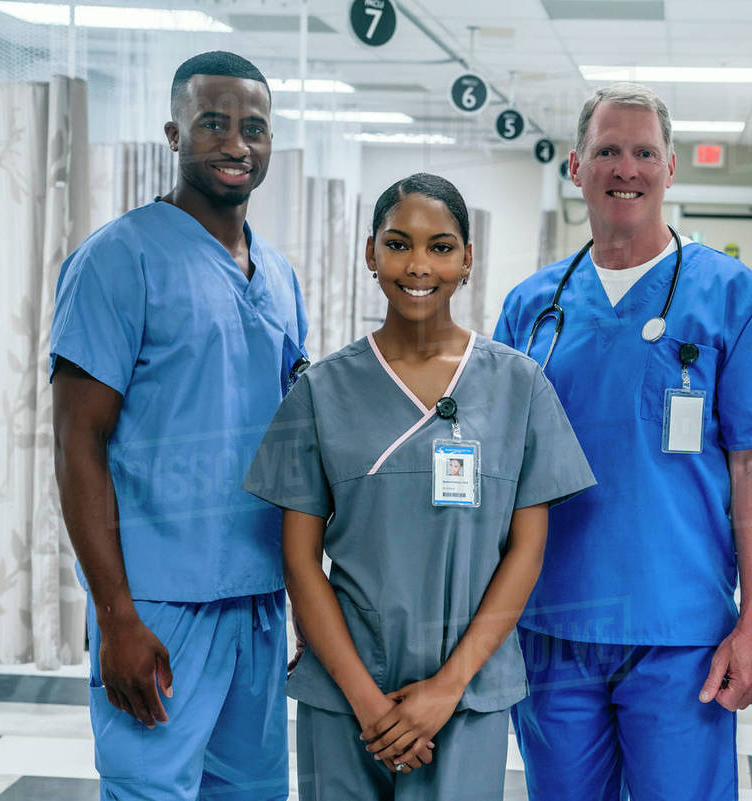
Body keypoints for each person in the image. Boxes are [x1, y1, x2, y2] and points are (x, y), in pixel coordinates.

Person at [493, 83, 752, 800]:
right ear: (576, 167)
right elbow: (500, 469)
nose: (625, 168)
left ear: (671, 168)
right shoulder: (531, 307)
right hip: (552, 624)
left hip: (681, 629)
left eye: (643, 152)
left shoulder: (735, 297)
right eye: (607, 151)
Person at [242, 173, 595, 801]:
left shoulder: (520, 387)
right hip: (344, 689)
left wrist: (447, 687)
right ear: (370, 254)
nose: (418, 265)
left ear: (466, 260)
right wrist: (365, 702)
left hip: (465, 692)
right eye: (399, 243)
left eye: (440, 246)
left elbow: (527, 551)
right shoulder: (322, 389)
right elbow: (299, 558)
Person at [50, 51, 307, 801]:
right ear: (173, 133)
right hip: (157, 603)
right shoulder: (117, 259)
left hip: (256, 599)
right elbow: (77, 442)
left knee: (252, 793)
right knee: (150, 790)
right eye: (214, 124)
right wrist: (116, 615)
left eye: (253, 128)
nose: (236, 144)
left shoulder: (281, 277)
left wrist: (299, 597)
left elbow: (288, 445)